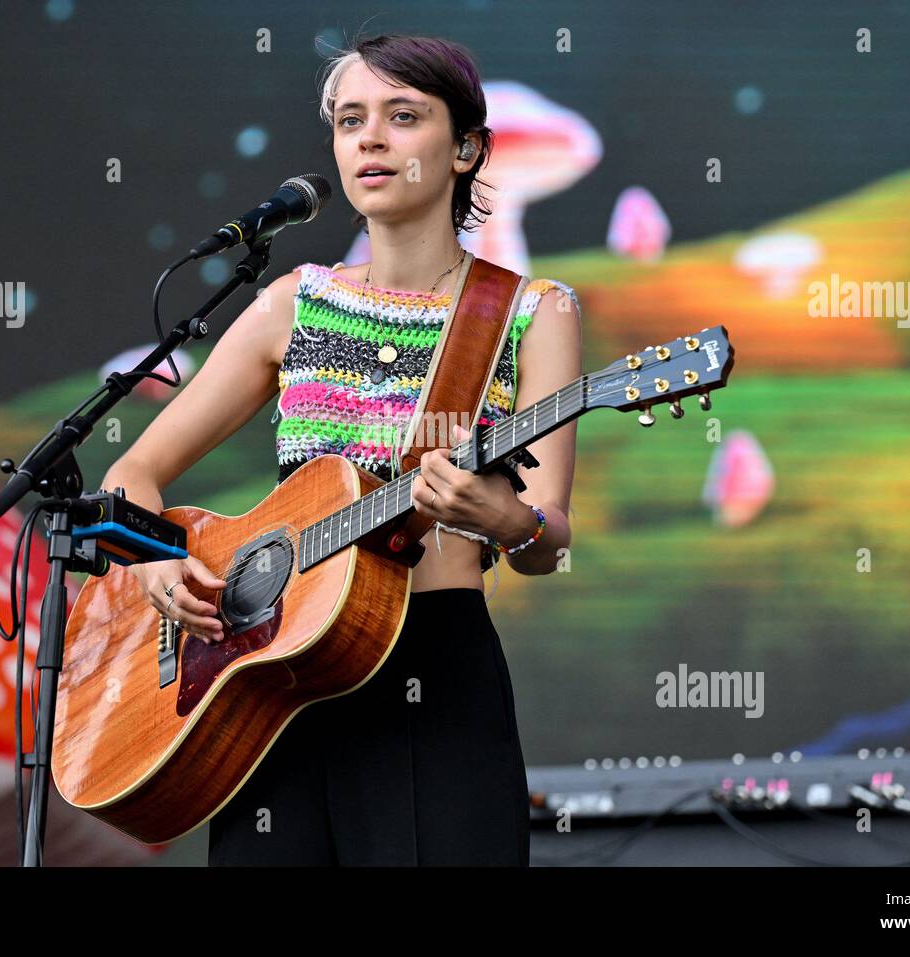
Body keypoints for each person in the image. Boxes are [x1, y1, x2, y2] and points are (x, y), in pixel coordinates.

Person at [99, 33, 581, 865]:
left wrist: (503, 516)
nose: (371, 139)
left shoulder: (532, 311)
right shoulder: (295, 302)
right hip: (269, 680)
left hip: (436, 666)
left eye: (403, 116)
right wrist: (152, 563)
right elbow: (131, 473)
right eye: (351, 119)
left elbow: (547, 542)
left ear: (467, 148)